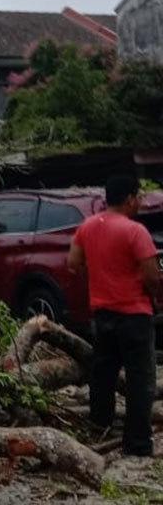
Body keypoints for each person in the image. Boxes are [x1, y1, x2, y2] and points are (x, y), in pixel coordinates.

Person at [68, 174, 159, 457]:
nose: (141, 201)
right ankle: (138, 443)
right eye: (140, 196)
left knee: (104, 372)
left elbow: (73, 263)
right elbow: (151, 275)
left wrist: (99, 277)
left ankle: (100, 424)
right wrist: (150, 292)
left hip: (102, 312)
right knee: (140, 378)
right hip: (134, 313)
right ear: (130, 198)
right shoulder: (135, 231)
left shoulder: (87, 226)